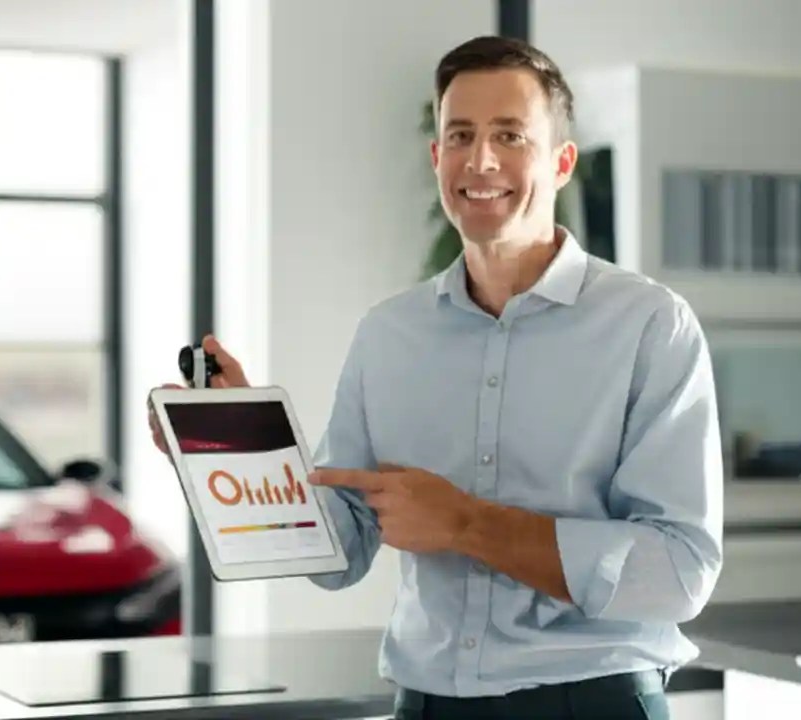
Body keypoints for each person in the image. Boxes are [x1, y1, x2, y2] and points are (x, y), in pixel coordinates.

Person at [149, 35, 722, 720]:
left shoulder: (650, 326)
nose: (481, 160)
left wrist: (467, 523)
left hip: (592, 704)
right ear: (437, 157)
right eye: (461, 135)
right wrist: (237, 449)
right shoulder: (389, 334)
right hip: (425, 707)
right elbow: (340, 551)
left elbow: (679, 573)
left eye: (510, 135)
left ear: (562, 162)